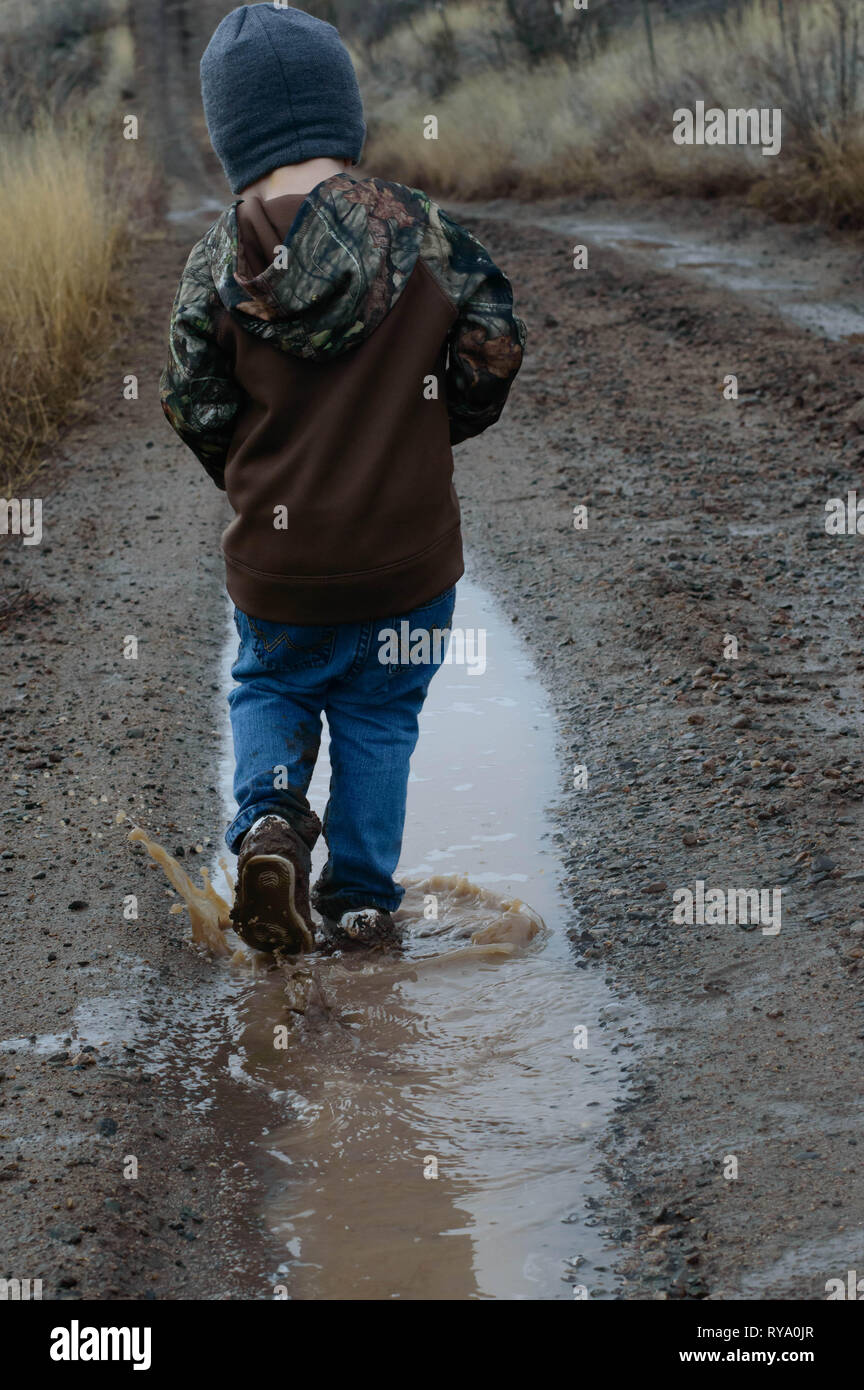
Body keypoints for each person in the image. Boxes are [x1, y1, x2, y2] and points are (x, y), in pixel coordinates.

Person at [160, 3, 525, 953]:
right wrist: (438, 429)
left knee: (272, 687)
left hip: (281, 565)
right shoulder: (421, 229)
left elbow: (193, 404)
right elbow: (496, 344)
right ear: (343, 113)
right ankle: (361, 899)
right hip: (406, 560)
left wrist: (253, 476)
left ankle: (272, 823)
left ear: (230, 133)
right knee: (379, 719)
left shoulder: (214, 264)